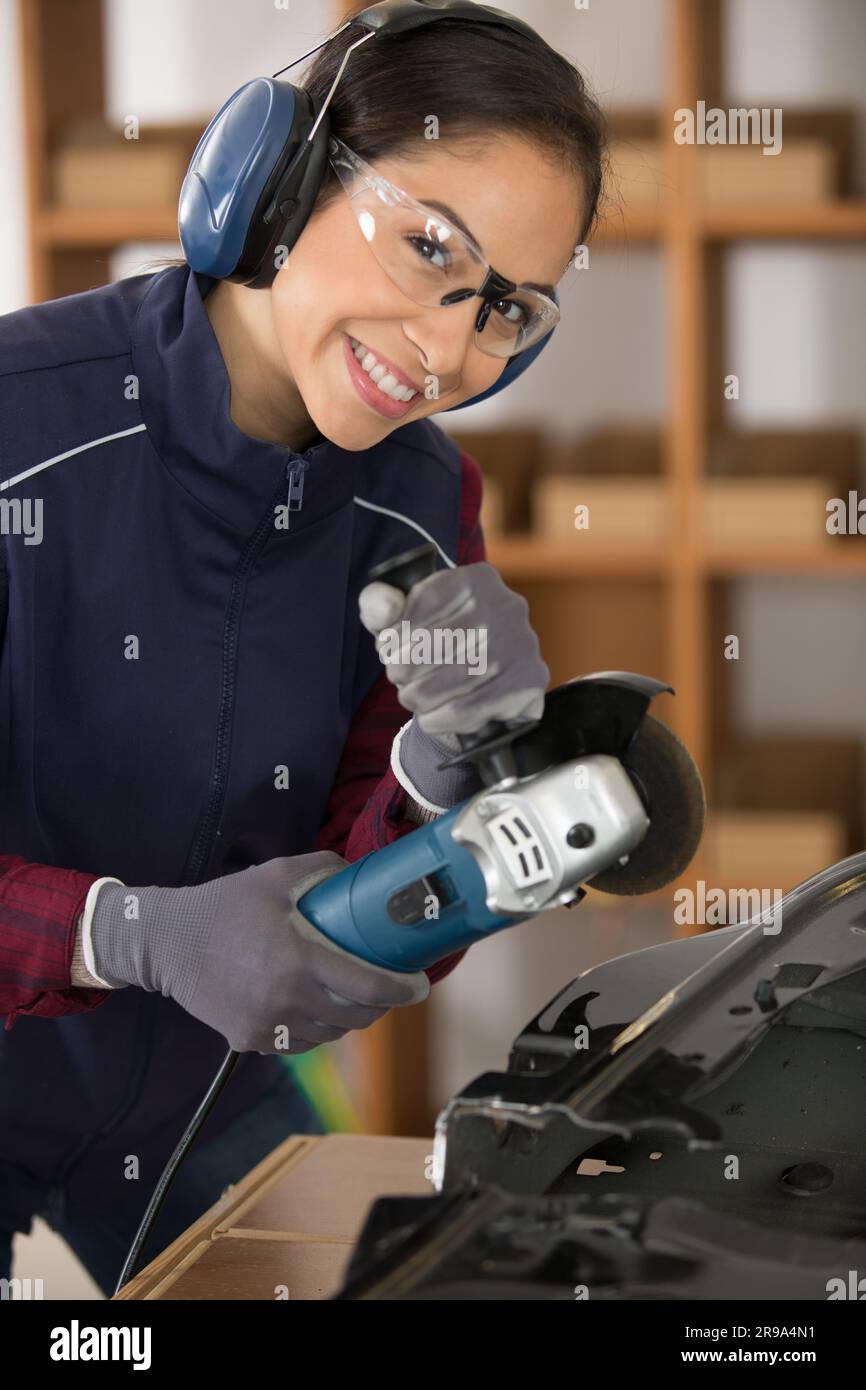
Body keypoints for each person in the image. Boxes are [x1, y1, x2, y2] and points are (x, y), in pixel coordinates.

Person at [0, 10, 605, 1296]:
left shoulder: (422, 501)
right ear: (270, 180)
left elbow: (363, 908)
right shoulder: (20, 423)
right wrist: (127, 934)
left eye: (503, 306)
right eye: (429, 246)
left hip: (191, 1103)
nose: (445, 348)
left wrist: (447, 781)